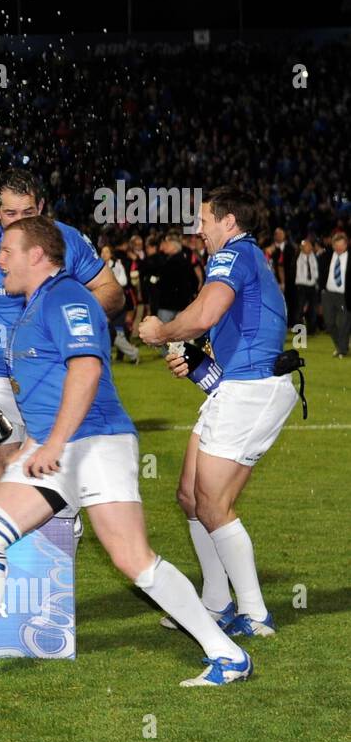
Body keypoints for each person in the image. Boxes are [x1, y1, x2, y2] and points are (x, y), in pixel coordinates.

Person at [0, 216, 251, 687]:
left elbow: (86, 370)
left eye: (7, 251)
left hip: (95, 444)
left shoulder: (66, 297)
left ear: (37, 256)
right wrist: (39, 442)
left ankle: (227, 654)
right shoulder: (34, 303)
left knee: (134, 560)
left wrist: (57, 441)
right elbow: (46, 387)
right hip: (57, 447)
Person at [139, 186, 299, 638]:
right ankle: (216, 603)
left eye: (205, 219)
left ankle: (254, 613)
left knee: (212, 502)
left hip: (252, 391)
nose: (199, 228)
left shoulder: (233, 254)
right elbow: (236, 339)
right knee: (190, 497)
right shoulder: (247, 259)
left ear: (229, 222)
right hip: (239, 387)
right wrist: (196, 362)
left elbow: (206, 312)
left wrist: (162, 332)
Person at [0, 170, 123, 513]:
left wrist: (65, 322)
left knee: (50, 488)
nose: (19, 221)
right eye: (10, 214)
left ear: (41, 205)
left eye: (28, 213)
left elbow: (112, 293)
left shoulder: (67, 241)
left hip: (51, 377)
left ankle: (58, 544)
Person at [318, 232, 348, 357]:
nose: (339, 248)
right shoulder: (326, 255)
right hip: (328, 294)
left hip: (344, 296)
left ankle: (342, 350)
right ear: (332, 245)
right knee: (329, 324)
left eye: (341, 245)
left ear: (346, 244)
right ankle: (340, 346)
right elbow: (320, 274)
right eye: (336, 245)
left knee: (343, 324)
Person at [294, 238, 320, 332]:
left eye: (310, 246)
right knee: (300, 308)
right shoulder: (297, 257)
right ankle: (299, 329)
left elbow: (317, 271)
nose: (308, 248)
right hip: (301, 286)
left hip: (312, 286)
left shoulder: (315, 257)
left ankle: (312, 329)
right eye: (306, 246)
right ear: (302, 248)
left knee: (313, 308)